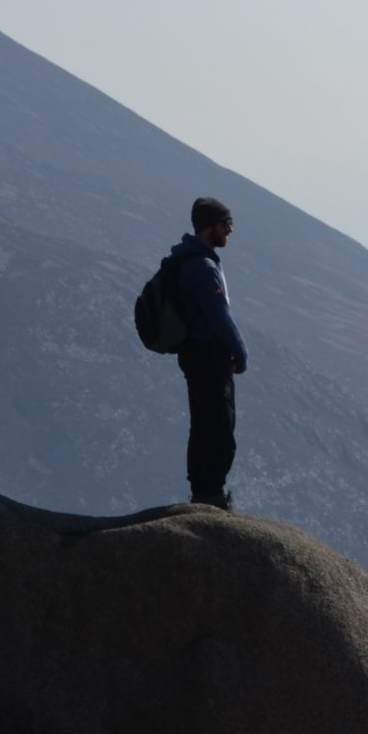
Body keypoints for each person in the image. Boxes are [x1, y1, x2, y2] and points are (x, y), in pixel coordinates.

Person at [167, 196, 247, 509]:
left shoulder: (189, 260)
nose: (230, 230)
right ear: (210, 227)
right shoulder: (201, 267)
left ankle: (203, 490)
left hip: (194, 353)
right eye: (226, 224)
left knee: (203, 422)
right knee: (219, 425)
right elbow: (219, 315)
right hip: (208, 355)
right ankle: (211, 494)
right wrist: (241, 354)